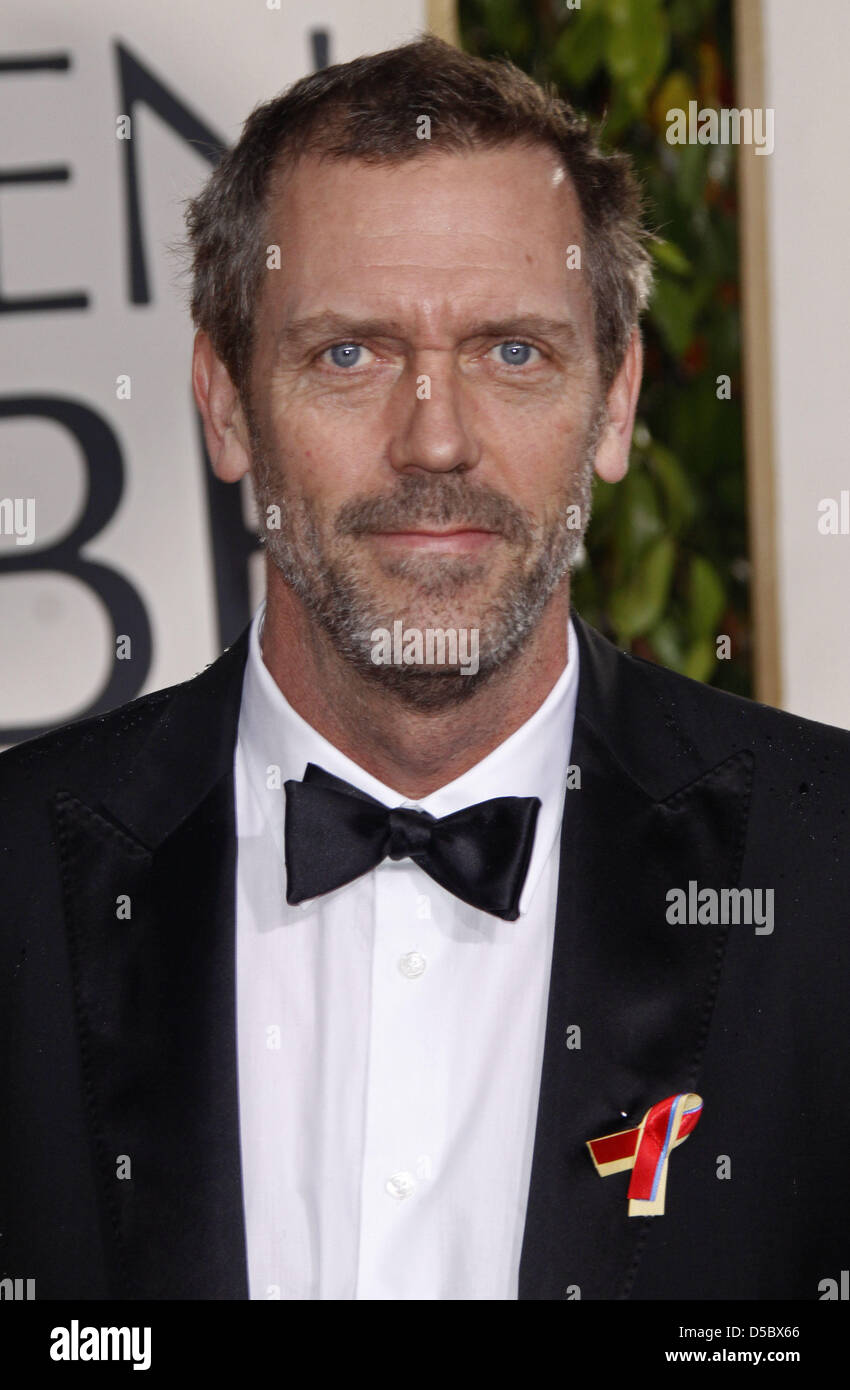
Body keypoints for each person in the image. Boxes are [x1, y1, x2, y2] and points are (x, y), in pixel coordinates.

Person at [1, 35, 848, 1303]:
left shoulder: (825, 869)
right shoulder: (17, 877)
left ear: (614, 406)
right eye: (349, 353)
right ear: (226, 401)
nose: (435, 438)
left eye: (514, 352)